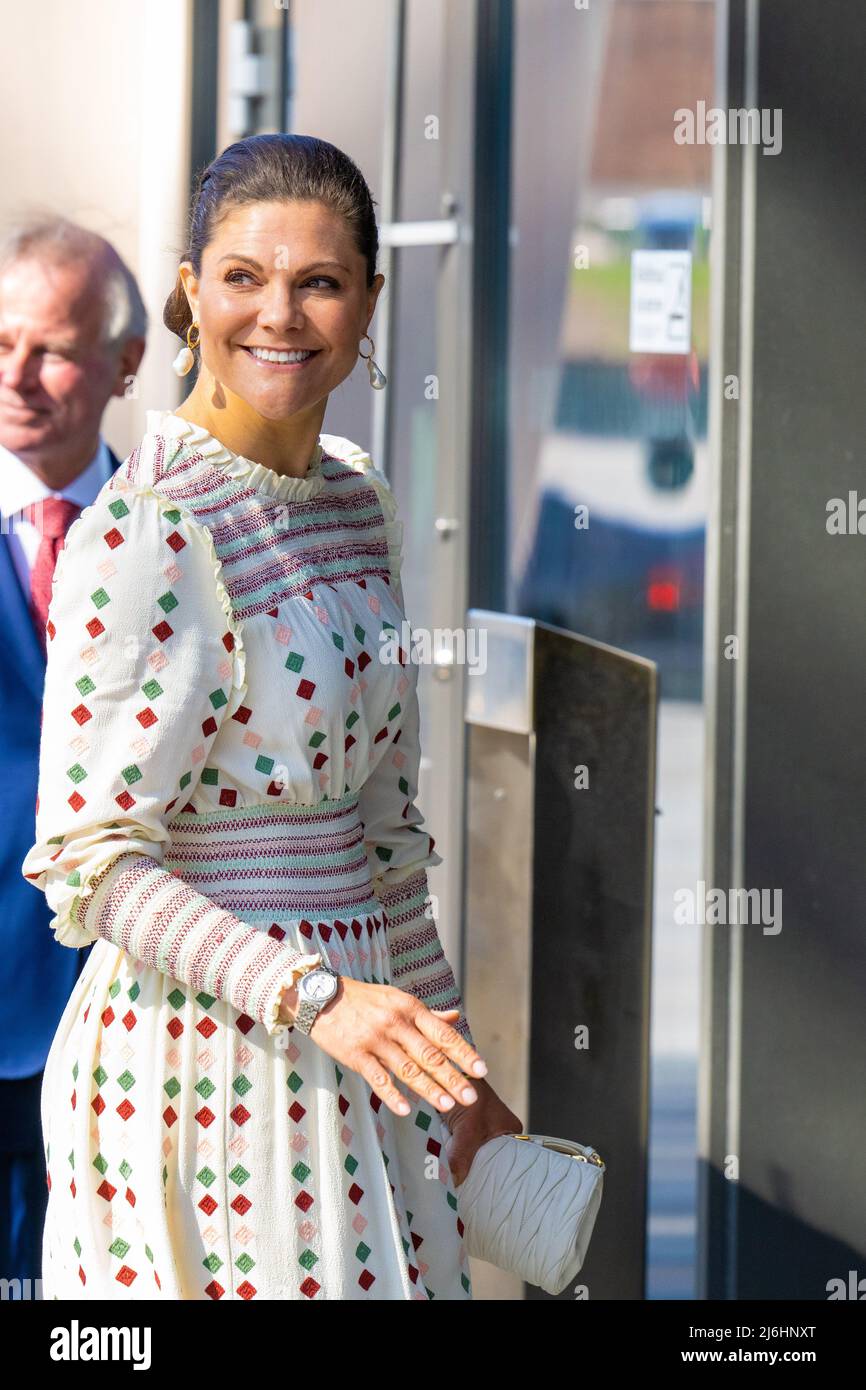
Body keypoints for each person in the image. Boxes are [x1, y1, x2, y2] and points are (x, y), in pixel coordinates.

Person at [21, 133, 521, 1300]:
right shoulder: (143, 533)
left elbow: (384, 839)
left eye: (319, 282)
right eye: (241, 276)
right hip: (194, 1073)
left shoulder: (358, 503)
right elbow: (89, 868)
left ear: (369, 302)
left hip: (364, 1067)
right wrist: (315, 998)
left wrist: (450, 1065)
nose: (278, 315)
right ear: (190, 290)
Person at [0, 216, 146, 1291]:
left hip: (125, 1025)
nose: (18, 378)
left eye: (48, 348)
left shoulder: (170, 541)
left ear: (123, 363)